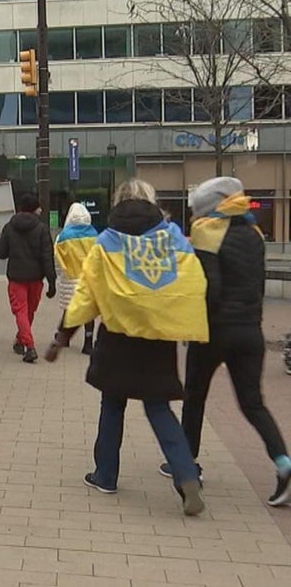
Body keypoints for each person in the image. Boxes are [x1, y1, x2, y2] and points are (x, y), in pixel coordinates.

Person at [47, 179, 208, 516]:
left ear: (118, 202)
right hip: (158, 338)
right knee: (159, 408)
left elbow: (86, 295)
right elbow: (195, 280)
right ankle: (186, 474)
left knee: (113, 404)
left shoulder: (106, 242)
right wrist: (184, 322)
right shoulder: (173, 238)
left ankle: (105, 475)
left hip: (118, 336)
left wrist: (63, 336)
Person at [177, 177, 291, 506]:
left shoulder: (207, 232)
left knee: (194, 397)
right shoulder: (255, 233)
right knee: (253, 403)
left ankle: (188, 467)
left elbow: (209, 289)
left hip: (214, 330)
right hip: (250, 331)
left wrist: (192, 323)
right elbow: (258, 284)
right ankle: (284, 464)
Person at [0, 192, 56, 363]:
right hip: (36, 278)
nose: (41, 210)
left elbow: (1, 253)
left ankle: (23, 341)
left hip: (16, 277)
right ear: (34, 209)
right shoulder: (42, 229)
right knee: (29, 311)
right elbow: (47, 256)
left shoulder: (9, 227)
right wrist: (52, 281)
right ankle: (28, 345)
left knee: (21, 311)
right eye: (38, 207)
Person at [54, 202, 99, 354]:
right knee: (88, 313)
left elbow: (58, 260)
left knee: (69, 310)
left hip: (70, 278)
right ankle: (88, 343)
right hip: (89, 280)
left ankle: (63, 338)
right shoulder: (94, 234)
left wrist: (62, 275)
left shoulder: (63, 236)